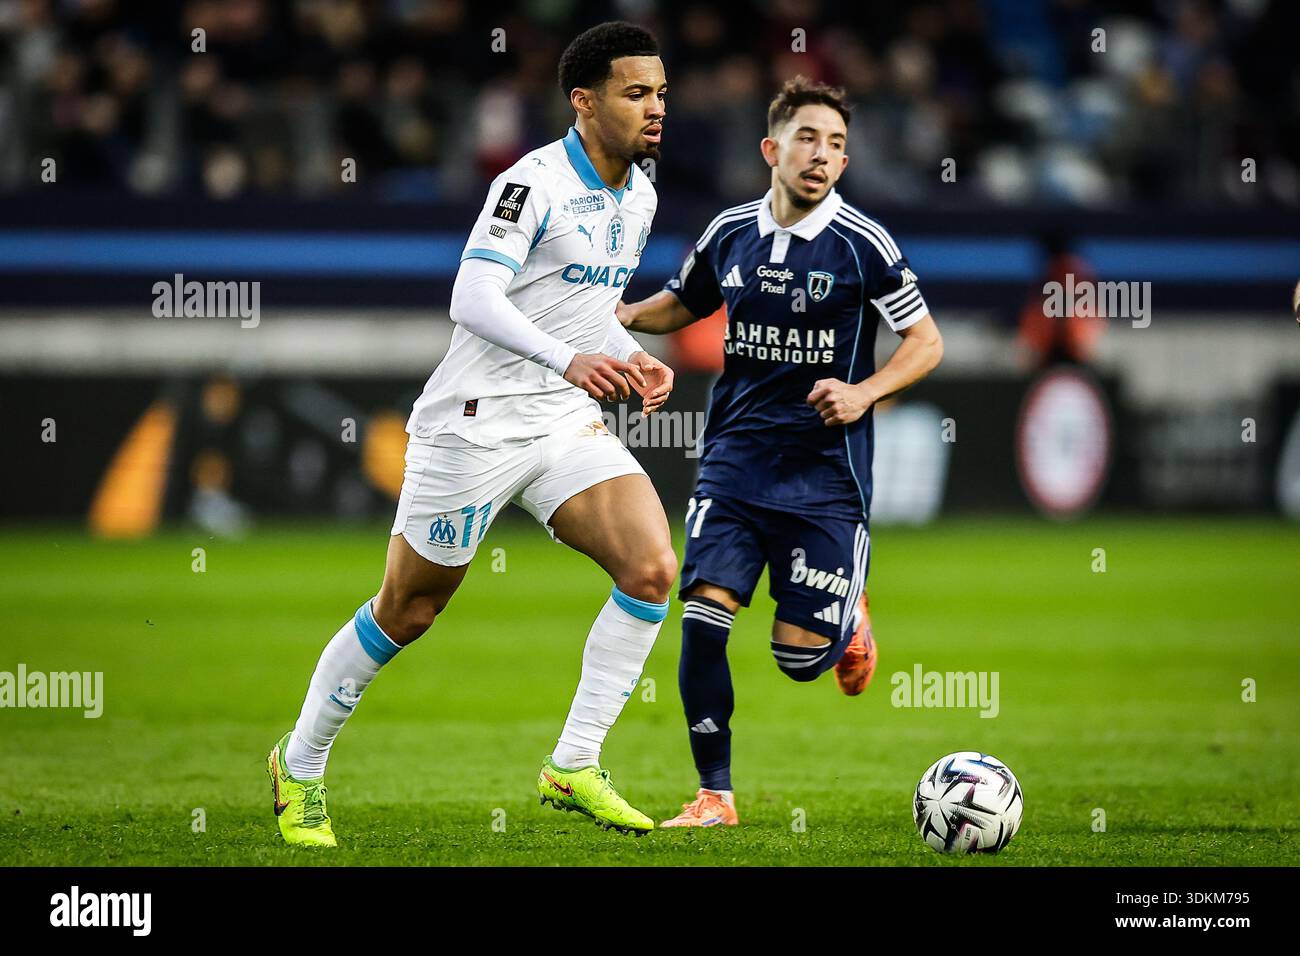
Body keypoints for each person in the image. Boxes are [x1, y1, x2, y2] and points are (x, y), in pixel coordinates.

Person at [268, 21, 676, 843]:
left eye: (662, 92)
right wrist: (569, 360)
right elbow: (474, 300)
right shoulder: (530, 184)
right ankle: (299, 765)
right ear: (584, 102)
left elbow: (581, 306)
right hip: (475, 425)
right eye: (637, 93)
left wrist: (632, 355)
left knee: (651, 568)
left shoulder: (641, 192)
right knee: (408, 611)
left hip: (562, 420)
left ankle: (574, 765)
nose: (656, 108)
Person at [618, 76, 944, 827]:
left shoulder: (865, 246)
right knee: (701, 614)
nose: (821, 154)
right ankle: (714, 795)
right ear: (772, 149)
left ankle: (846, 620)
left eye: (835, 143)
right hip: (733, 460)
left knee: (799, 661)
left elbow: (926, 343)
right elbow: (686, 301)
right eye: (807, 138)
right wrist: (631, 313)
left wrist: (865, 393)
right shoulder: (730, 230)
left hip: (824, 476)